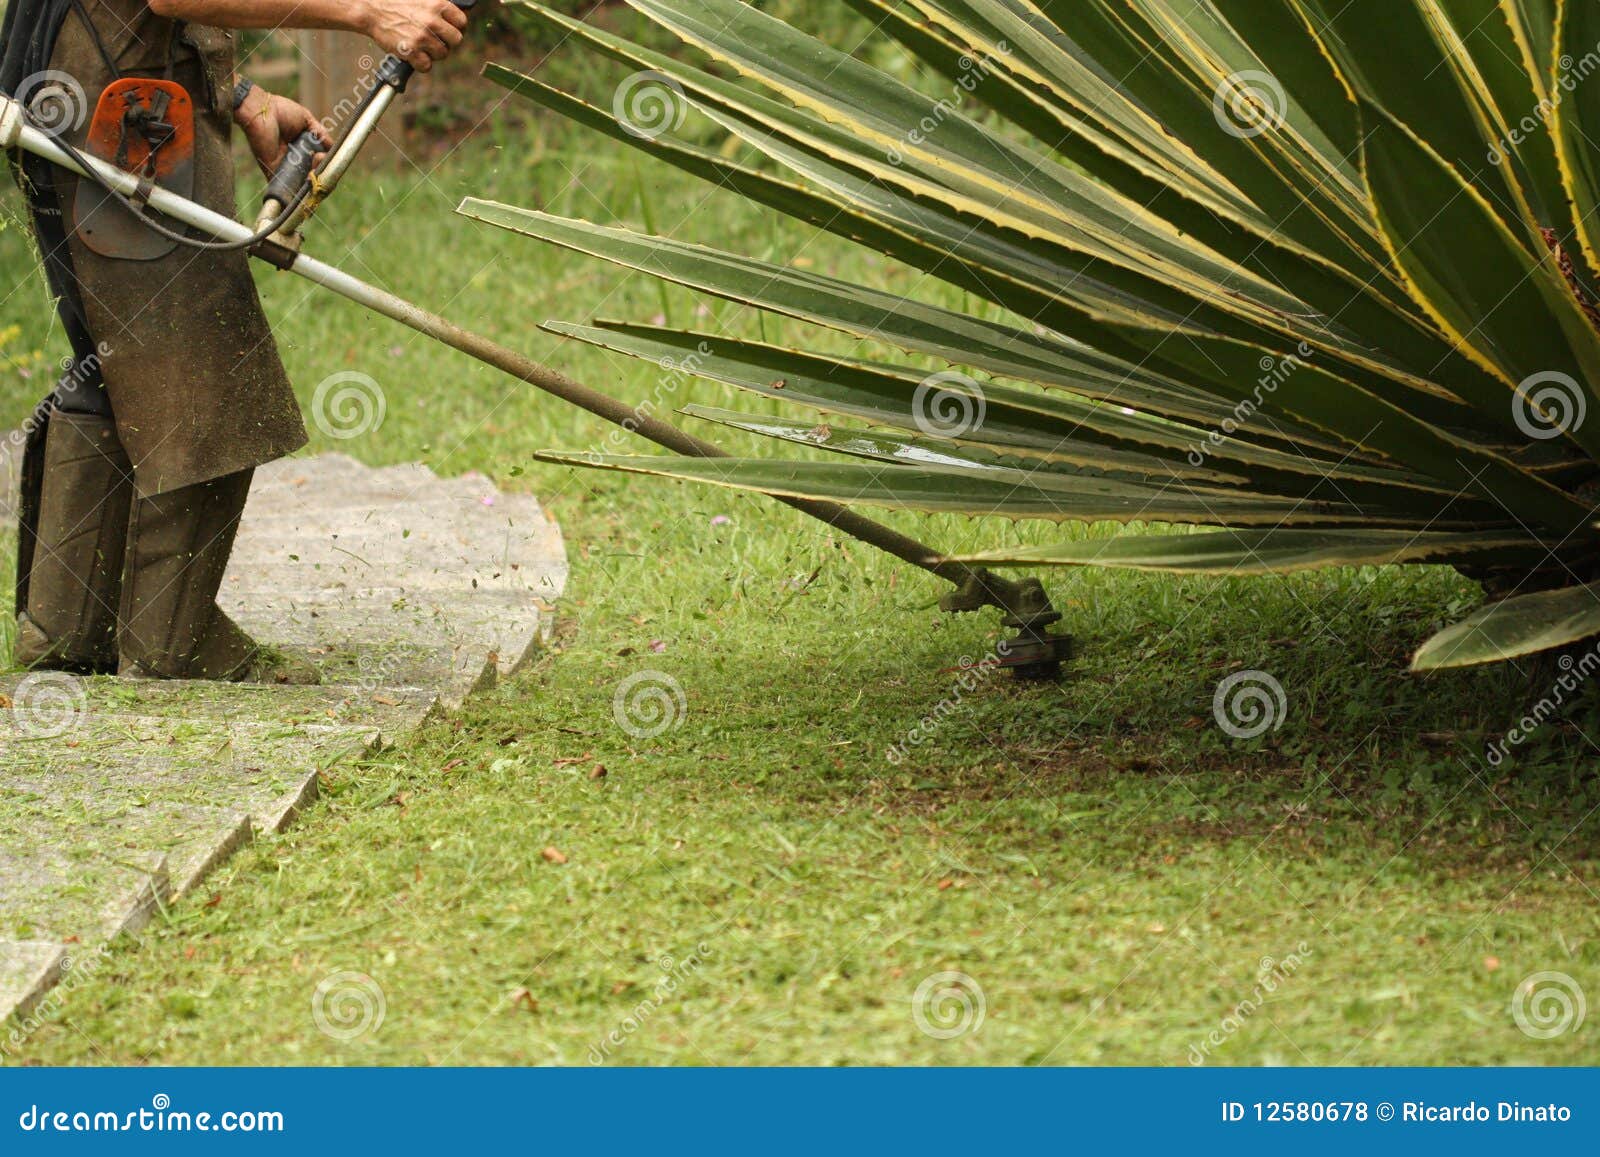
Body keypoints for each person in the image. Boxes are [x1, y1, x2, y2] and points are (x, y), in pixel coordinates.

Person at [0, 0, 465, 680]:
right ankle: (171, 643)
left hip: (80, 88)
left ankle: (68, 628)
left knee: (118, 352)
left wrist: (240, 94)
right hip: (115, 107)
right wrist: (372, 13)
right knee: (205, 363)